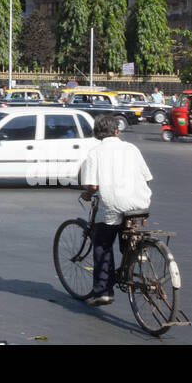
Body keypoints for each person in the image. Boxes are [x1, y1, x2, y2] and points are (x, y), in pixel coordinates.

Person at [79, 113, 153, 307]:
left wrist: (86, 194)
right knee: (127, 228)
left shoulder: (95, 152)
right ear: (116, 131)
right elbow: (147, 178)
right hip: (140, 201)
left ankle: (103, 291)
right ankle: (136, 251)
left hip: (113, 203)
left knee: (102, 243)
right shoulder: (132, 148)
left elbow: (93, 186)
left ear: (97, 133)